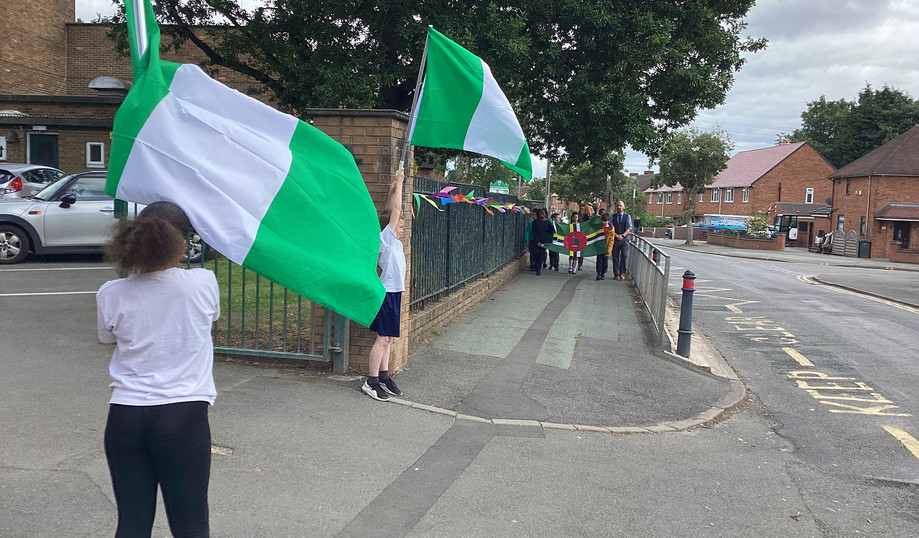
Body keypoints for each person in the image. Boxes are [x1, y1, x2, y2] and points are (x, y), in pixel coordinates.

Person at [96, 202, 219, 537]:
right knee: (190, 524)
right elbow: (208, 319)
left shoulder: (111, 293)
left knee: (133, 522)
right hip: (183, 416)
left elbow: (108, 338)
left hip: (125, 416)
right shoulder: (202, 283)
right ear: (181, 241)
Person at [363, 168, 407, 402]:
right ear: (388, 228)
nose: (401, 228)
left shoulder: (394, 242)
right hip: (387, 294)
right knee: (382, 339)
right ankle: (371, 382)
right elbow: (396, 211)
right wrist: (399, 182)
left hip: (395, 293)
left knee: (388, 338)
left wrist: (392, 191)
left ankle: (383, 376)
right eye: (399, 226)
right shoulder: (386, 240)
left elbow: (392, 211)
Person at [609, 200, 633, 280]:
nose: (619, 207)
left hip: (624, 239)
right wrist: (616, 235)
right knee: (615, 256)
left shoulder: (627, 216)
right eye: (618, 205)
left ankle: (622, 273)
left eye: (620, 206)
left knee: (624, 256)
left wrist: (623, 235)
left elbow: (629, 228)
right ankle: (616, 273)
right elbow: (611, 228)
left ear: (624, 207)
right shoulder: (613, 217)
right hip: (615, 239)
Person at [531, 208, 554, 276]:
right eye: (541, 213)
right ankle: (535, 266)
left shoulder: (547, 222)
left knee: (541, 255)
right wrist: (537, 241)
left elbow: (549, 232)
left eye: (543, 213)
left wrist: (552, 227)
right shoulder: (535, 222)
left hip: (544, 242)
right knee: (536, 254)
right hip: (536, 241)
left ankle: (538, 269)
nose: (542, 214)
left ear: (545, 214)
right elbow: (534, 232)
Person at [596, 213, 611, 280]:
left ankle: (603, 273)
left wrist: (609, 249)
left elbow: (611, 240)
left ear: (609, 220)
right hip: (599, 247)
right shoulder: (599, 227)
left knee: (605, 262)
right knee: (599, 261)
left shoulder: (611, 229)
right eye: (604, 221)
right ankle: (599, 273)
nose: (605, 222)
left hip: (606, 247)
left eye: (606, 221)